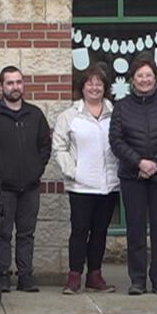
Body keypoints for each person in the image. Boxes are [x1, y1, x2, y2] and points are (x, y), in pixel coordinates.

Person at [109, 58, 157, 295]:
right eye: (140, 76)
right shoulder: (121, 106)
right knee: (135, 229)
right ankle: (137, 280)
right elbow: (116, 140)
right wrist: (139, 162)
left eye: (148, 75)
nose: (144, 80)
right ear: (133, 79)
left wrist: (156, 163)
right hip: (133, 176)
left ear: (155, 78)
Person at [0, 66, 53, 293]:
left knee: (27, 234)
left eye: (18, 82)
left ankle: (26, 276)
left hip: (30, 186)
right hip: (3, 188)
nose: (15, 87)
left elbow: (44, 146)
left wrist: (37, 168)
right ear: (1, 86)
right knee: (2, 234)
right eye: (9, 83)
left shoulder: (35, 114)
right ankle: (3, 276)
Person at [52, 65, 118, 295]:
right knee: (80, 230)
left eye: (99, 83)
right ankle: (74, 276)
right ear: (82, 87)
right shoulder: (69, 116)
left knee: (100, 231)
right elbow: (59, 147)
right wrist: (73, 171)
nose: (94, 87)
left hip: (109, 184)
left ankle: (95, 276)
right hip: (81, 185)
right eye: (90, 83)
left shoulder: (115, 112)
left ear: (105, 87)